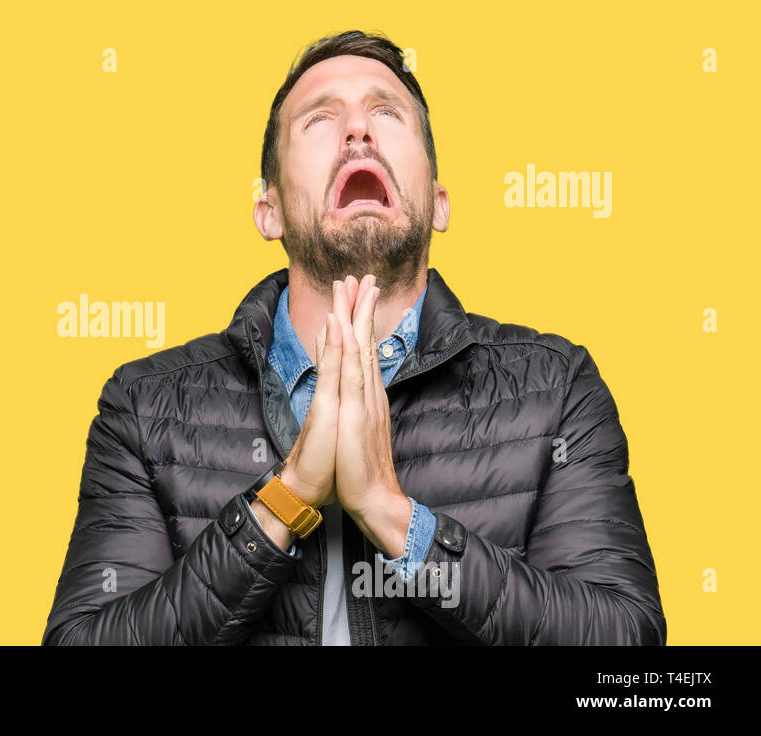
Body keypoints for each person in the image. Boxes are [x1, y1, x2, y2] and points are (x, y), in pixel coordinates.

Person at [42, 30, 665, 645]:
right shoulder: (146, 407)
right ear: (270, 210)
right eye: (319, 119)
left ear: (439, 203)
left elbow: (625, 646)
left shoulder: (555, 389)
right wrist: (284, 502)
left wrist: (395, 516)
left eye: (385, 113)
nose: (358, 132)